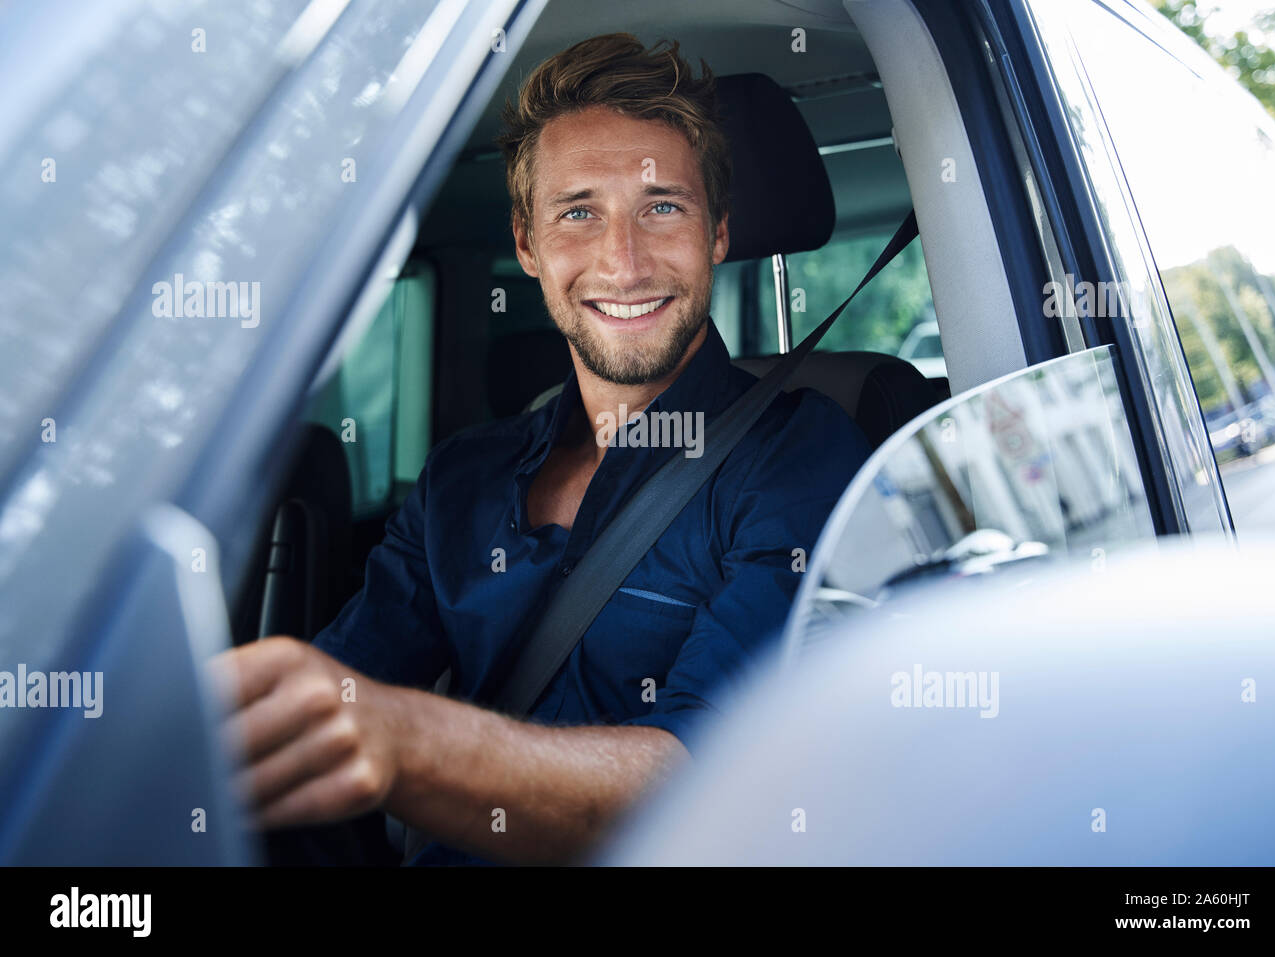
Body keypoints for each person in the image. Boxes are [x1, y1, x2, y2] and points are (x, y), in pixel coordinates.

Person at [209, 32, 871, 865]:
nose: (623, 263)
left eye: (663, 206)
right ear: (527, 244)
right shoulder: (461, 479)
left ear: (717, 232)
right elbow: (341, 686)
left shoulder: (799, 458)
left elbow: (704, 781)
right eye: (579, 212)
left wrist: (400, 739)